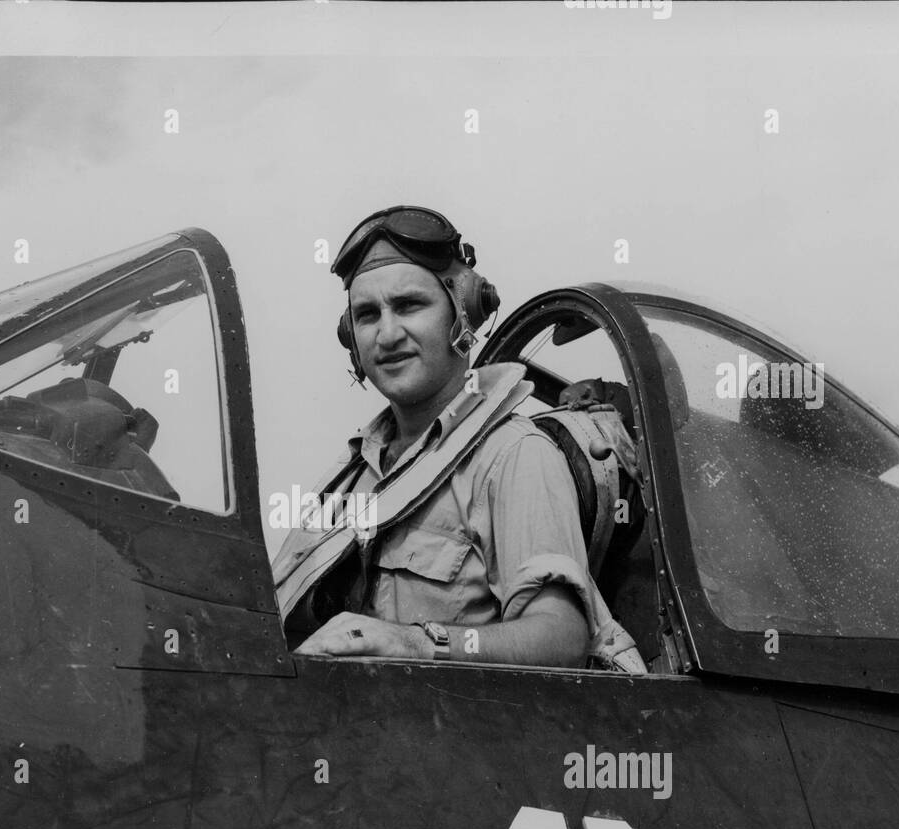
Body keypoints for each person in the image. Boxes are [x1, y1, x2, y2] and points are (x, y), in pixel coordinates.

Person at [272, 205, 642, 671]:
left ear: (461, 313)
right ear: (351, 338)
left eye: (409, 305)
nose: (387, 334)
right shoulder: (350, 481)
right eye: (367, 315)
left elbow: (560, 636)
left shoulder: (513, 456)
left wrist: (415, 643)